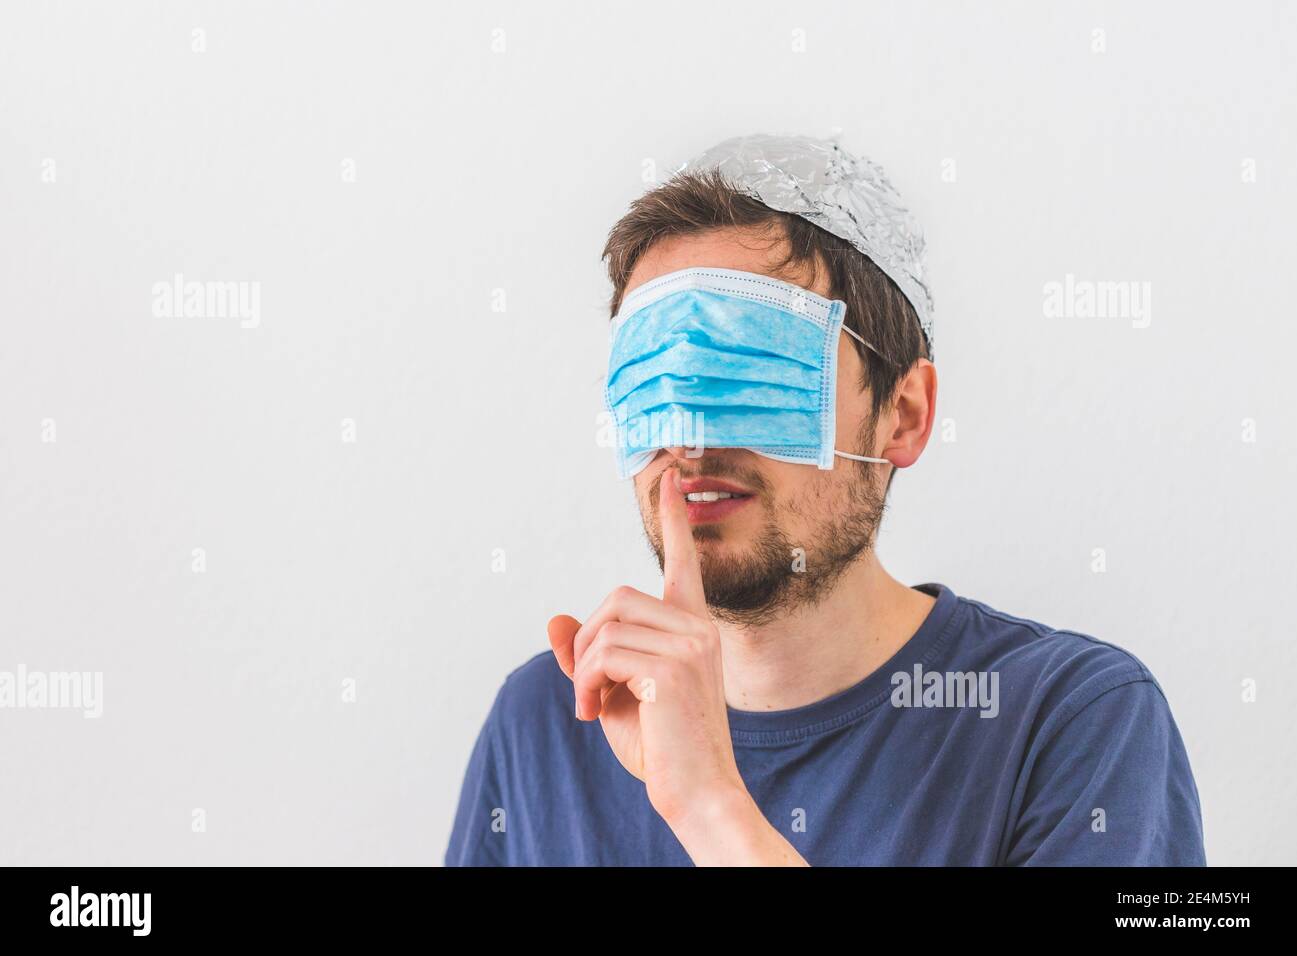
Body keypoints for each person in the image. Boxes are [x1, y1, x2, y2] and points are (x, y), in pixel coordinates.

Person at [445, 135, 1206, 866]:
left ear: (902, 414)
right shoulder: (550, 717)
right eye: (655, 378)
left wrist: (710, 806)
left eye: (752, 369)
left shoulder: (1079, 721)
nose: (691, 439)